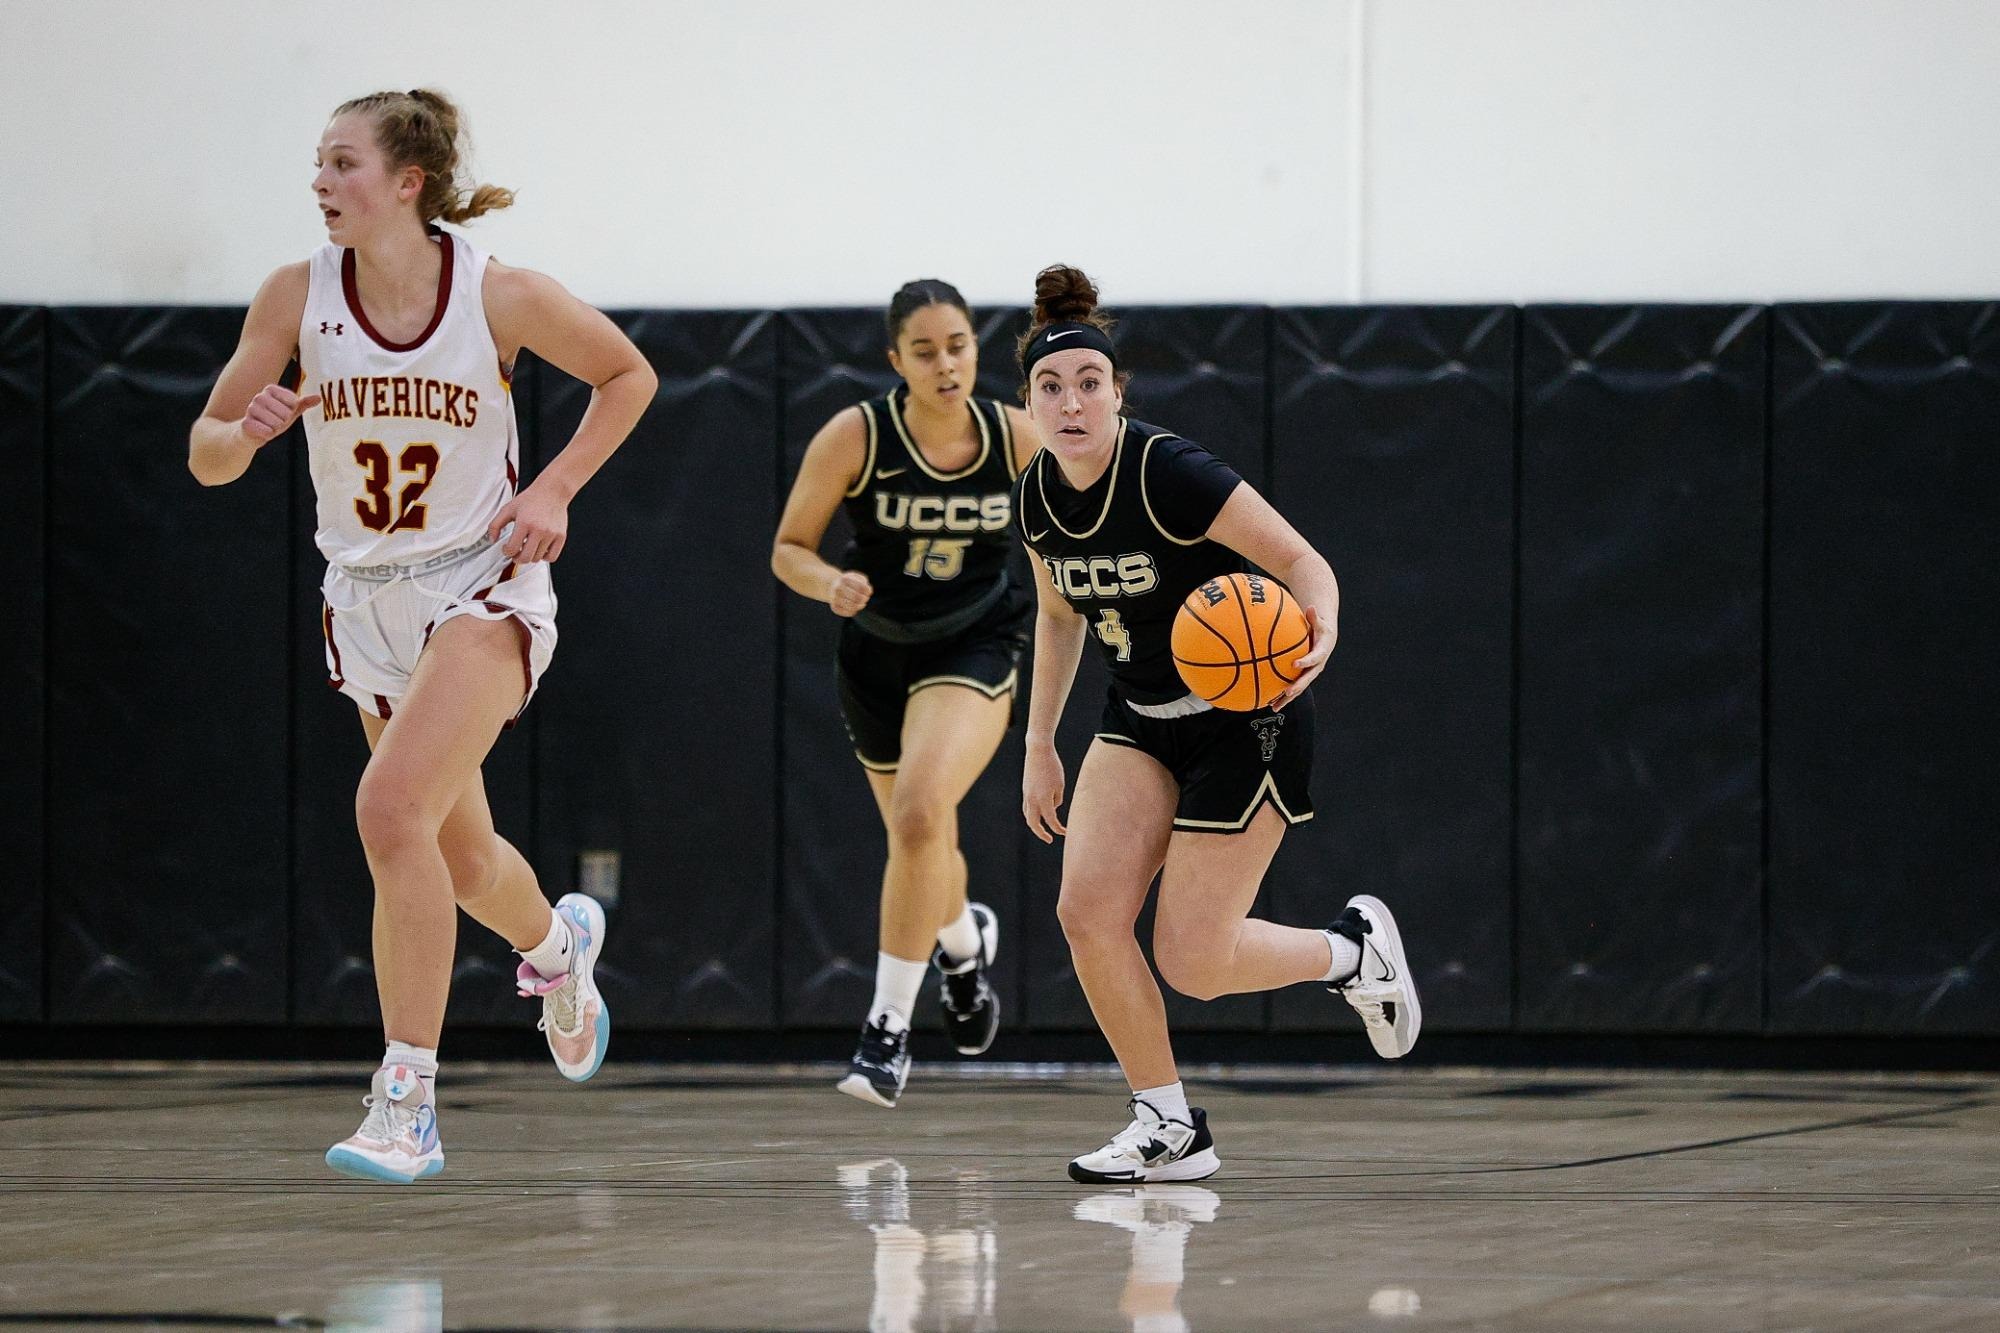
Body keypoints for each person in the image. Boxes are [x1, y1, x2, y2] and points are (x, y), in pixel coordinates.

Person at [187, 88, 657, 1182]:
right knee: (460, 857)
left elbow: (628, 373)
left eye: (342, 162)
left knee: (388, 809)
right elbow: (204, 453)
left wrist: (555, 488)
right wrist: (242, 433)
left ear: (408, 182)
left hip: (482, 584)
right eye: (317, 162)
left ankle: (406, 1102)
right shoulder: (294, 295)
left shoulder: (498, 293)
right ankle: (559, 949)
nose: (319, 181)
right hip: (365, 599)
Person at [1013, 264, 1421, 1183]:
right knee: (1087, 913)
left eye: (1088, 382)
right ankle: (1167, 1125)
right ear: (1029, 402)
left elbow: (1303, 561)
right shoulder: (1036, 495)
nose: (1071, 402)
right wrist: (1038, 743)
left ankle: (1350, 953)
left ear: (1117, 393)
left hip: (1246, 717)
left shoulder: (1168, 472)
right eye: (1051, 386)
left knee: (1194, 961)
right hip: (1138, 715)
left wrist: (1322, 625)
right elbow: (1058, 613)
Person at [773, 280, 1040, 1106]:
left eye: (958, 346)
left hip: (975, 642)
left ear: (976, 348)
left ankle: (886, 1031)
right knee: (920, 839)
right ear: (897, 360)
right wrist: (827, 582)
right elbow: (788, 549)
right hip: (877, 652)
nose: (945, 364)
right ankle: (961, 946)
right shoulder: (856, 435)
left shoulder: (1015, 436)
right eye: (925, 352)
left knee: (921, 814)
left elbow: (1082, 523)